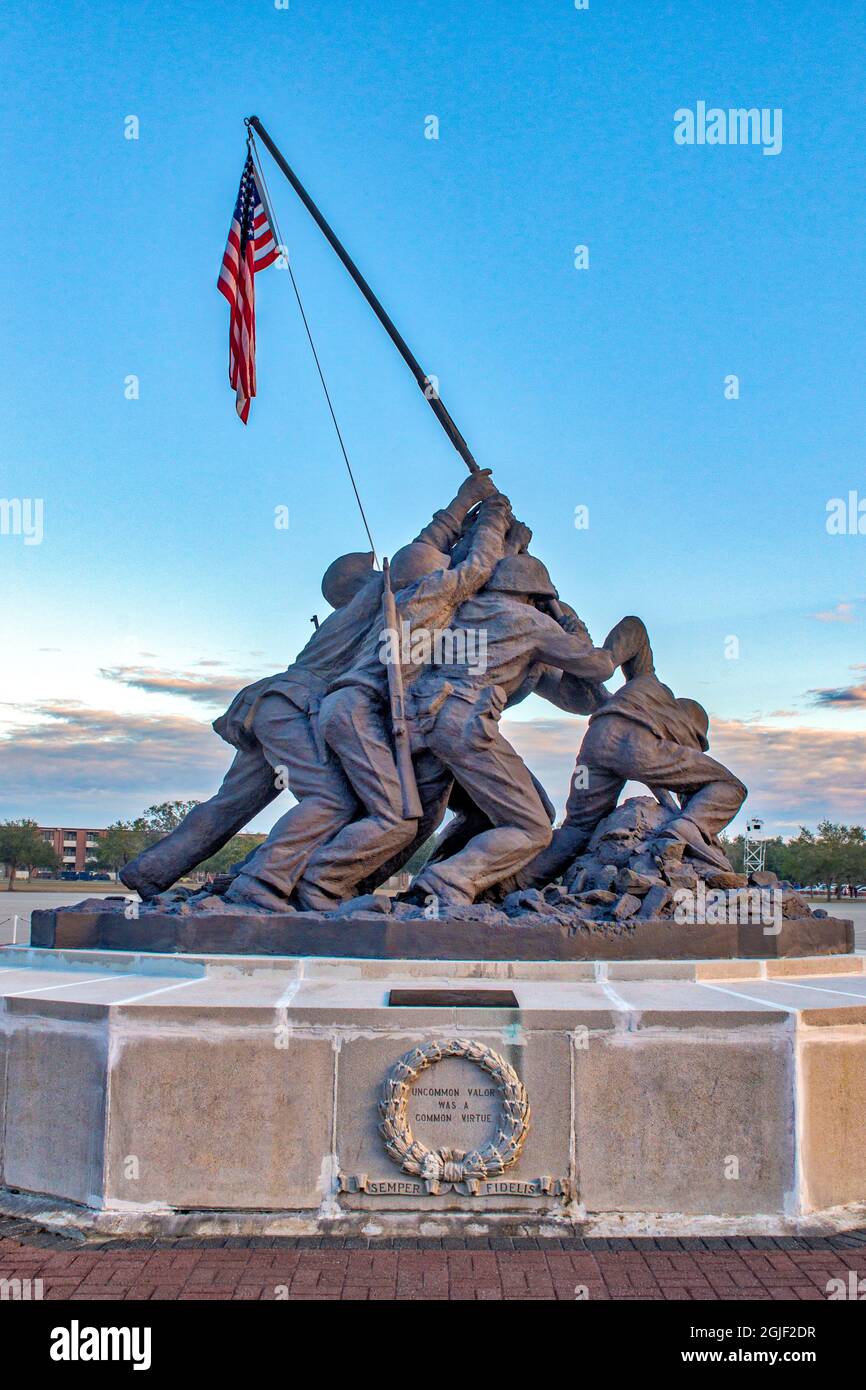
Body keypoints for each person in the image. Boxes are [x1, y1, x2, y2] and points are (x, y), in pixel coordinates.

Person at [405, 554, 617, 906]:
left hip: (428, 721)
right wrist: (570, 622)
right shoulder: (530, 623)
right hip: (465, 724)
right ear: (535, 595)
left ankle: (436, 878)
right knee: (532, 827)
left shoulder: (466, 610)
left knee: (500, 813)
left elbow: (574, 698)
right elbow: (599, 665)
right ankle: (446, 882)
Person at [516, 615, 747, 889]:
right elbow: (688, 786)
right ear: (695, 732)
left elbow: (635, 626)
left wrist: (606, 657)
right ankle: (690, 829)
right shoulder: (682, 728)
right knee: (731, 786)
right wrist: (692, 822)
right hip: (635, 745)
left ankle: (512, 883)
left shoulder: (646, 680)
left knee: (576, 829)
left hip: (596, 740)